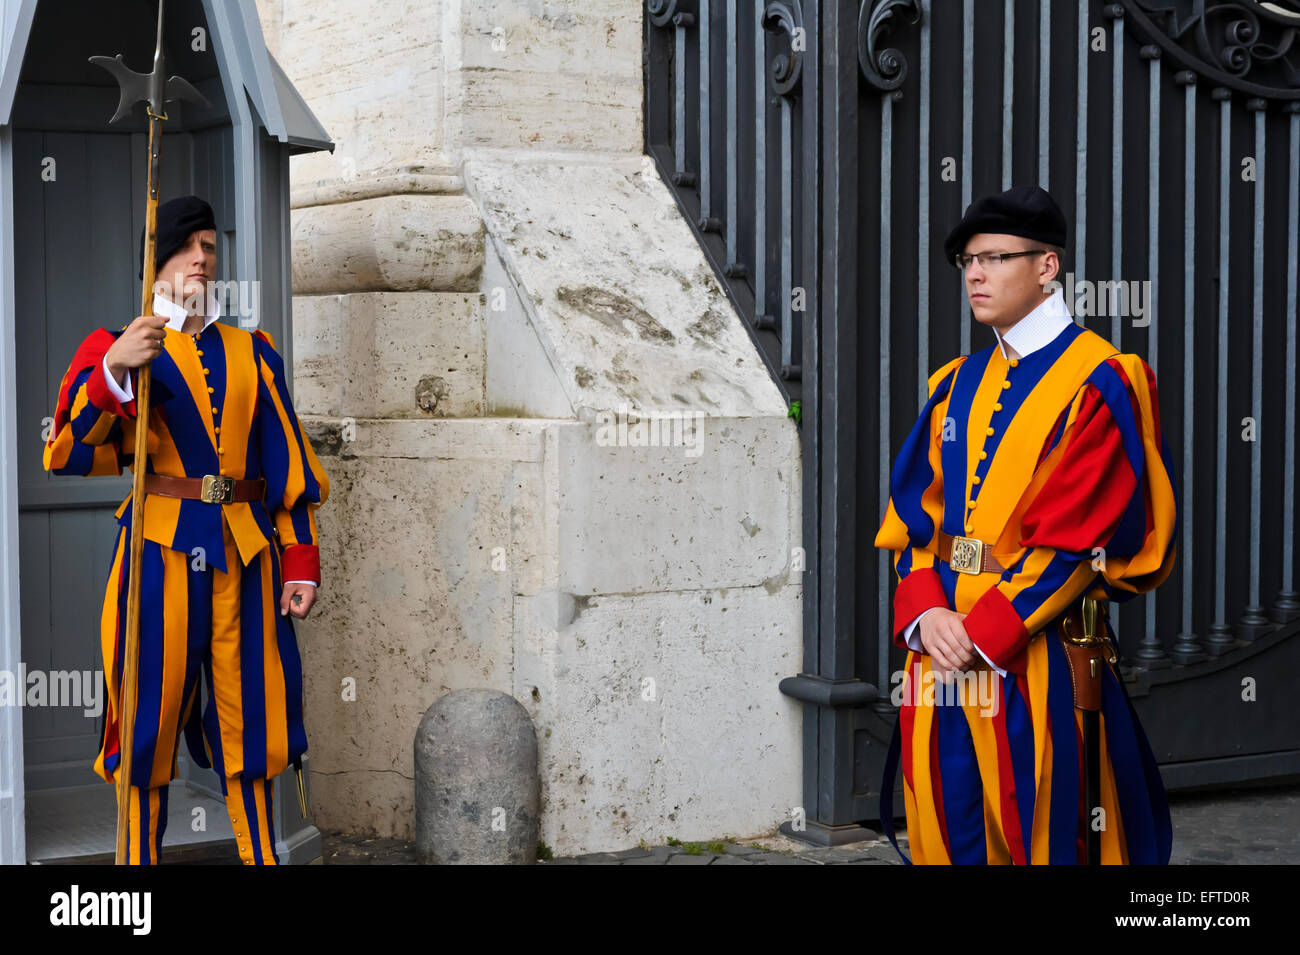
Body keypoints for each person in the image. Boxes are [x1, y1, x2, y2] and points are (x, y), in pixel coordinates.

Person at [874, 185, 1179, 864]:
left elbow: (1080, 541)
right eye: (967, 261)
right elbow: (916, 519)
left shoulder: (1099, 381)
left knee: (1044, 830)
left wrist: (979, 636)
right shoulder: (953, 383)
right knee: (948, 831)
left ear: (1047, 267)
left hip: (1032, 656)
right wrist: (927, 616)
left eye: (995, 257)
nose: (975, 274)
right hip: (940, 653)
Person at [43, 195, 330, 864]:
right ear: (156, 259)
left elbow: (286, 464)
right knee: (145, 723)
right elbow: (67, 453)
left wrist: (301, 560)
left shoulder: (253, 351)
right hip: (157, 557)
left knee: (254, 719)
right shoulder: (115, 349)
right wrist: (115, 368)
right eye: (186, 245)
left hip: (247, 557)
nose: (203, 257)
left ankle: (263, 858)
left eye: (209, 245)